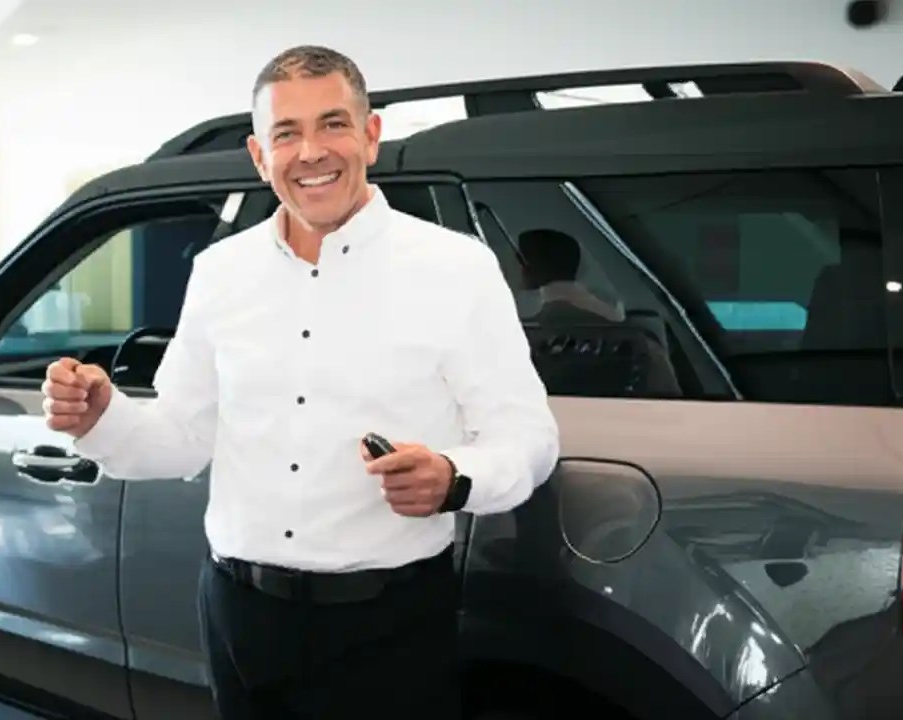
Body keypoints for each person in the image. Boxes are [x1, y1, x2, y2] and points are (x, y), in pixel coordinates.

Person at [41, 45, 560, 720]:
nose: (311, 151)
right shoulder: (221, 272)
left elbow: (528, 436)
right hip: (238, 614)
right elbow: (182, 434)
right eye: (287, 133)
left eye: (333, 124)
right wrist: (102, 417)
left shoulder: (455, 269)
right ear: (260, 156)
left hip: (389, 626)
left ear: (370, 136)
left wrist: (454, 477)